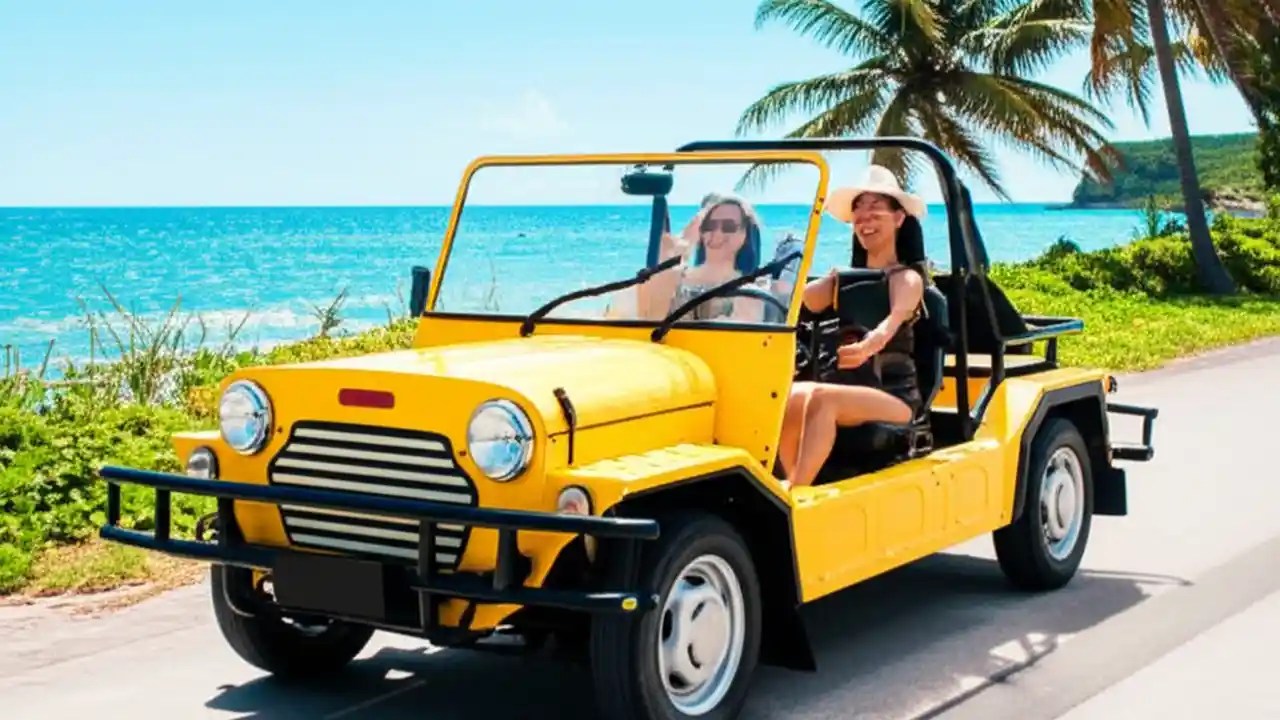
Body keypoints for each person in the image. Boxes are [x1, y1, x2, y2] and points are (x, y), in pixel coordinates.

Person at [775, 164, 929, 490]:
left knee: (820, 399)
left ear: (899, 218)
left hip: (893, 395)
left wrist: (867, 346)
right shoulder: (842, 281)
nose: (865, 219)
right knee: (787, 396)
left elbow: (894, 320)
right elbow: (796, 304)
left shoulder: (905, 277)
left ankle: (798, 488)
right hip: (849, 386)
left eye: (875, 210)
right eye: (859, 211)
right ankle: (791, 481)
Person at [635, 193, 765, 322]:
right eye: (709, 226)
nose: (717, 233)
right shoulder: (675, 278)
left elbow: (738, 330)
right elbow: (647, 319)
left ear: (745, 235)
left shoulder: (751, 288)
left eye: (728, 226)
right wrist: (680, 250)